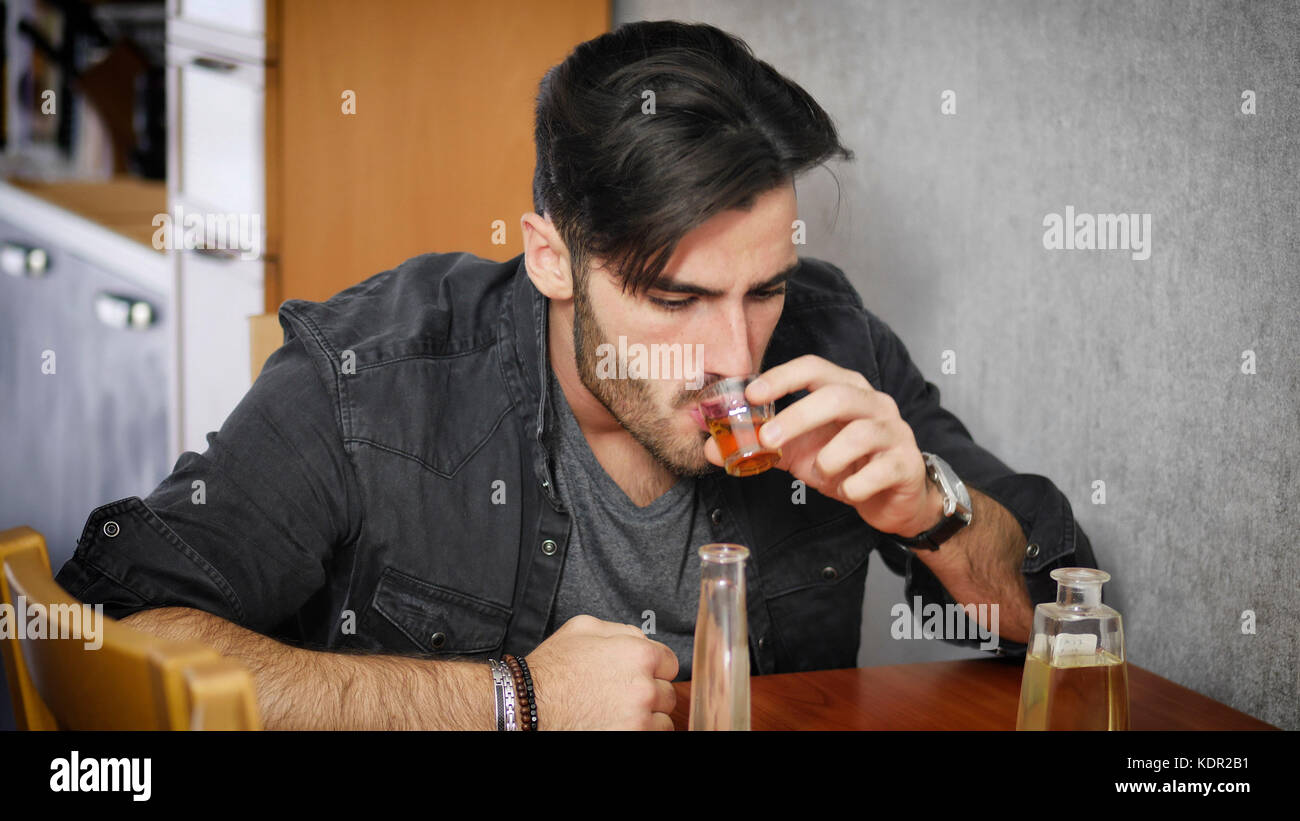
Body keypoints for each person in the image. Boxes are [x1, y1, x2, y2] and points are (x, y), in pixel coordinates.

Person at [54, 20, 1095, 730]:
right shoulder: (372, 373)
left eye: (762, 288)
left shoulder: (830, 337)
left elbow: (1062, 620)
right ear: (553, 257)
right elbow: (105, 645)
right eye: (675, 300)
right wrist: (513, 701)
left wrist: (935, 509)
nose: (737, 354)